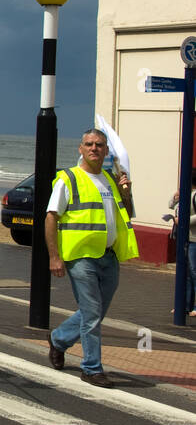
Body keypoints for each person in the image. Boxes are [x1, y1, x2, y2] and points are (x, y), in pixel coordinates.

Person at [46, 128, 138, 387]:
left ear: (106, 151)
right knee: (92, 312)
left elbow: (127, 214)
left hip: (108, 257)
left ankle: (59, 339)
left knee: (94, 312)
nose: (94, 148)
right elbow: (51, 217)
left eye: (99, 144)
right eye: (89, 144)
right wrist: (54, 256)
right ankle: (91, 368)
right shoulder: (69, 178)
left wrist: (127, 193)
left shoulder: (111, 179)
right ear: (80, 148)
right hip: (80, 257)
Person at [169, 169, 196, 316]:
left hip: (193, 239)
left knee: (194, 272)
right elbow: (171, 205)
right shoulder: (184, 194)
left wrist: (184, 221)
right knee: (185, 274)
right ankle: (184, 306)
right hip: (183, 238)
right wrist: (175, 197)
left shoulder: (194, 195)